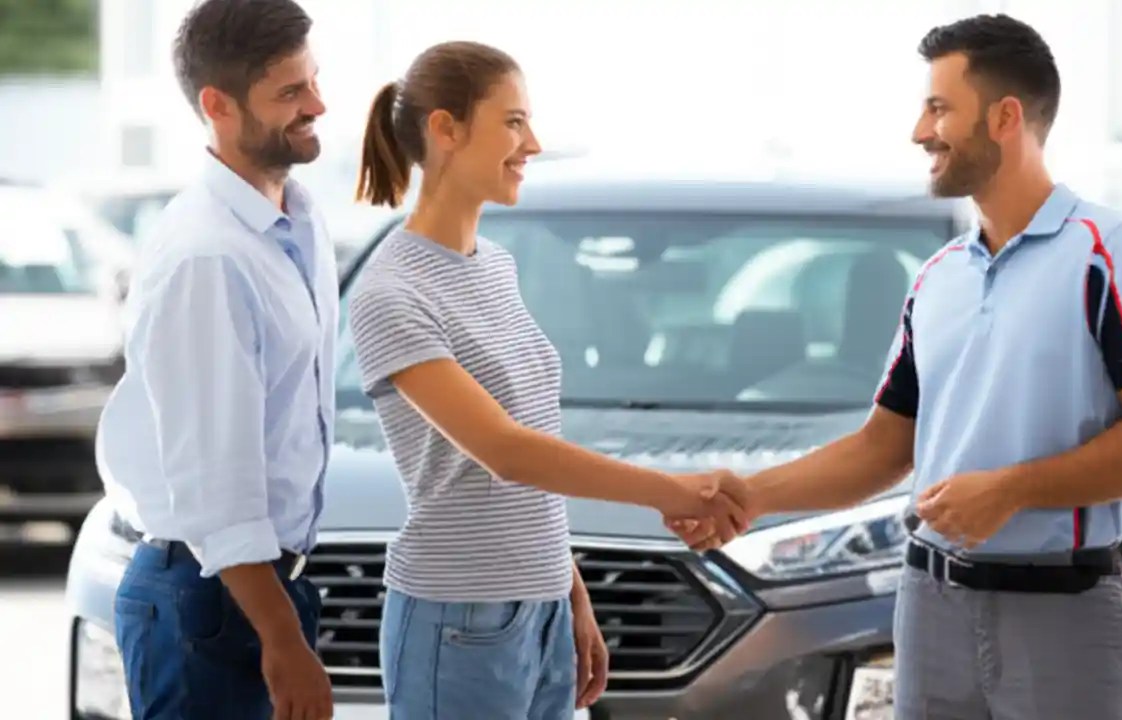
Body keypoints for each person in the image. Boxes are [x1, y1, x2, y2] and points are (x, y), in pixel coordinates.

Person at [668, 14, 1122, 720]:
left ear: (1005, 117)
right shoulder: (939, 277)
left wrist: (1011, 490)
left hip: (1063, 613)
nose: (921, 132)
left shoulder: (1109, 251)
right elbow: (883, 448)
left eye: (939, 108)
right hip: (929, 607)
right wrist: (753, 496)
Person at [346, 40, 748, 720]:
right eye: (513, 122)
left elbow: (531, 445)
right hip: (457, 621)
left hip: (540, 608)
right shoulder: (392, 291)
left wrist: (568, 592)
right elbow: (506, 451)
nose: (531, 144)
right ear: (446, 129)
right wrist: (672, 491)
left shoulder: (495, 266)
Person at [97, 1, 337, 718]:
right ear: (217, 106)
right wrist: (281, 637)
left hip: (257, 591)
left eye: (314, 80)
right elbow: (216, 483)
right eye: (290, 92)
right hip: (207, 601)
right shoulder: (207, 255)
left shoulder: (299, 221)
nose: (317, 104)